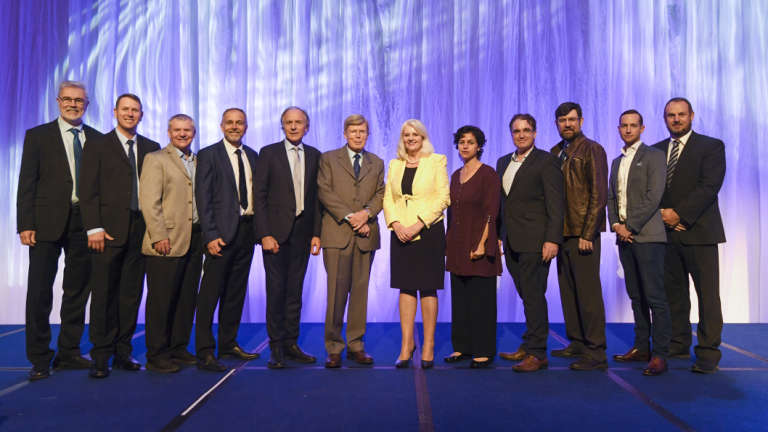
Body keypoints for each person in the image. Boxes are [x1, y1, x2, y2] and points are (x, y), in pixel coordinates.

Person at [17, 81, 102, 381]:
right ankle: (40, 357)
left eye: (78, 100)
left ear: (86, 104)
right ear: (57, 101)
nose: (72, 104)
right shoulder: (38, 136)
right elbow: (27, 182)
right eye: (67, 99)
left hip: (85, 224)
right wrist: (25, 223)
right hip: (44, 224)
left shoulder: (97, 139)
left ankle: (69, 352)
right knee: (39, 292)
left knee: (77, 291)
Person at [81, 93, 160, 378]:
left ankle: (123, 352)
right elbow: (87, 190)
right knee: (103, 294)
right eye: (125, 109)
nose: (130, 114)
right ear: (115, 112)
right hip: (106, 232)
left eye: (135, 110)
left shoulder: (152, 148)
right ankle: (100, 355)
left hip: (141, 232)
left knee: (130, 295)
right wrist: (94, 227)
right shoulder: (97, 145)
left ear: (141, 114)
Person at [652, 97, 726, 374]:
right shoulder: (656, 151)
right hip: (666, 234)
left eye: (681, 114)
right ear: (664, 118)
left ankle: (708, 352)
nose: (676, 119)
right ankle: (678, 342)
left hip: (700, 233)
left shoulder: (711, 146)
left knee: (708, 295)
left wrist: (679, 215)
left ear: (692, 116)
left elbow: (709, 187)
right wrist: (663, 215)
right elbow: (649, 190)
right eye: (671, 115)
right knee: (674, 293)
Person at [254, 106, 322, 369]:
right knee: (276, 291)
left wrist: (317, 233)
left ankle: (292, 344)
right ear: (282, 126)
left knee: (295, 291)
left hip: (303, 235)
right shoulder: (268, 153)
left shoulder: (315, 155)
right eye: (288, 122)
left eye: (299, 122)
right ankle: (276, 348)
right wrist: (265, 234)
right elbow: (258, 197)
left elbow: (317, 199)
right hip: (275, 236)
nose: (293, 127)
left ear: (307, 126)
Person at [496, 114, 564, 372]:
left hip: (536, 241)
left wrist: (552, 239)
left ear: (535, 133)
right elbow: (503, 203)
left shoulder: (546, 161)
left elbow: (556, 204)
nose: (521, 134)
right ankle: (529, 343)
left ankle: (538, 353)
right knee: (527, 295)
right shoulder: (503, 162)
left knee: (534, 295)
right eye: (516, 130)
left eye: (526, 130)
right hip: (511, 240)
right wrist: (498, 237)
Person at [194, 108, 260, 372]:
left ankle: (228, 343)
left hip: (246, 232)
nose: (235, 127)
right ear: (221, 125)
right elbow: (203, 197)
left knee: (235, 292)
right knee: (210, 295)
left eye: (239, 123)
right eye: (230, 123)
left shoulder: (253, 156)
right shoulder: (209, 155)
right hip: (219, 236)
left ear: (245, 126)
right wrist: (210, 235)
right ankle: (205, 351)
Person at [317, 114, 385, 368]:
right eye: (353, 131)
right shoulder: (328, 158)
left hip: (366, 235)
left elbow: (381, 193)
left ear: (368, 134)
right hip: (337, 234)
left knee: (360, 293)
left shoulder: (376, 162)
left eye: (363, 131)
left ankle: (356, 345)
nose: (358, 135)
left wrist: (366, 214)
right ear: (345, 134)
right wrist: (350, 217)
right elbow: (324, 191)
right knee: (335, 294)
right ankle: (333, 346)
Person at [607, 109, 671, 376]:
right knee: (636, 296)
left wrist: (629, 227)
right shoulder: (615, 161)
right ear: (619, 128)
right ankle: (641, 346)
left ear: (642, 128)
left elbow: (653, 196)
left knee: (655, 297)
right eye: (624, 125)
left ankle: (660, 355)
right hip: (625, 237)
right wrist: (615, 225)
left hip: (647, 237)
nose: (629, 129)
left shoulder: (655, 156)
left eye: (634, 125)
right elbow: (611, 198)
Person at [383, 119, 449, 368]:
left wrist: (418, 224)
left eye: (415, 134)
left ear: (423, 137)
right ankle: (406, 344)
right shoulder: (395, 164)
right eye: (406, 134)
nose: (410, 138)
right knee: (406, 288)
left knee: (428, 288)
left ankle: (429, 345)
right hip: (400, 232)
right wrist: (396, 224)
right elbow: (388, 198)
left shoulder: (436, 161)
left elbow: (444, 197)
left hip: (428, 231)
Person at [139, 114, 202, 373]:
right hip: (166, 239)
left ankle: (178, 347)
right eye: (177, 130)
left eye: (187, 130)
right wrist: (158, 235)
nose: (182, 134)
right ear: (168, 132)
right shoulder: (155, 159)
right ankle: (156, 354)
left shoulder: (197, 160)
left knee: (186, 298)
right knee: (161, 300)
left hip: (194, 238)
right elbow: (149, 201)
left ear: (194, 132)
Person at [549, 101, 609, 371]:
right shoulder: (554, 153)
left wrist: (589, 232)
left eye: (572, 119)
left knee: (588, 294)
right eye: (562, 120)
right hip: (561, 234)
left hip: (582, 233)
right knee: (568, 291)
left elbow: (599, 193)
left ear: (581, 121)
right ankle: (577, 342)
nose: (567, 124)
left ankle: (595, 351)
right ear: (557, 124)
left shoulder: (592, 149)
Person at [444, 125, 501, 369]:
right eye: (461, 141)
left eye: (470, 142)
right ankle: (462, 347)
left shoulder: (488, 174)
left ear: (479, 146)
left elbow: (492, 212)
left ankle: (483, 350)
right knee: (461, 299)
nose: (465, 145)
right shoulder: (455, 175)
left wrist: (482, 244)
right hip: (457, 245)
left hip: (479, 246)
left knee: (481, 300)